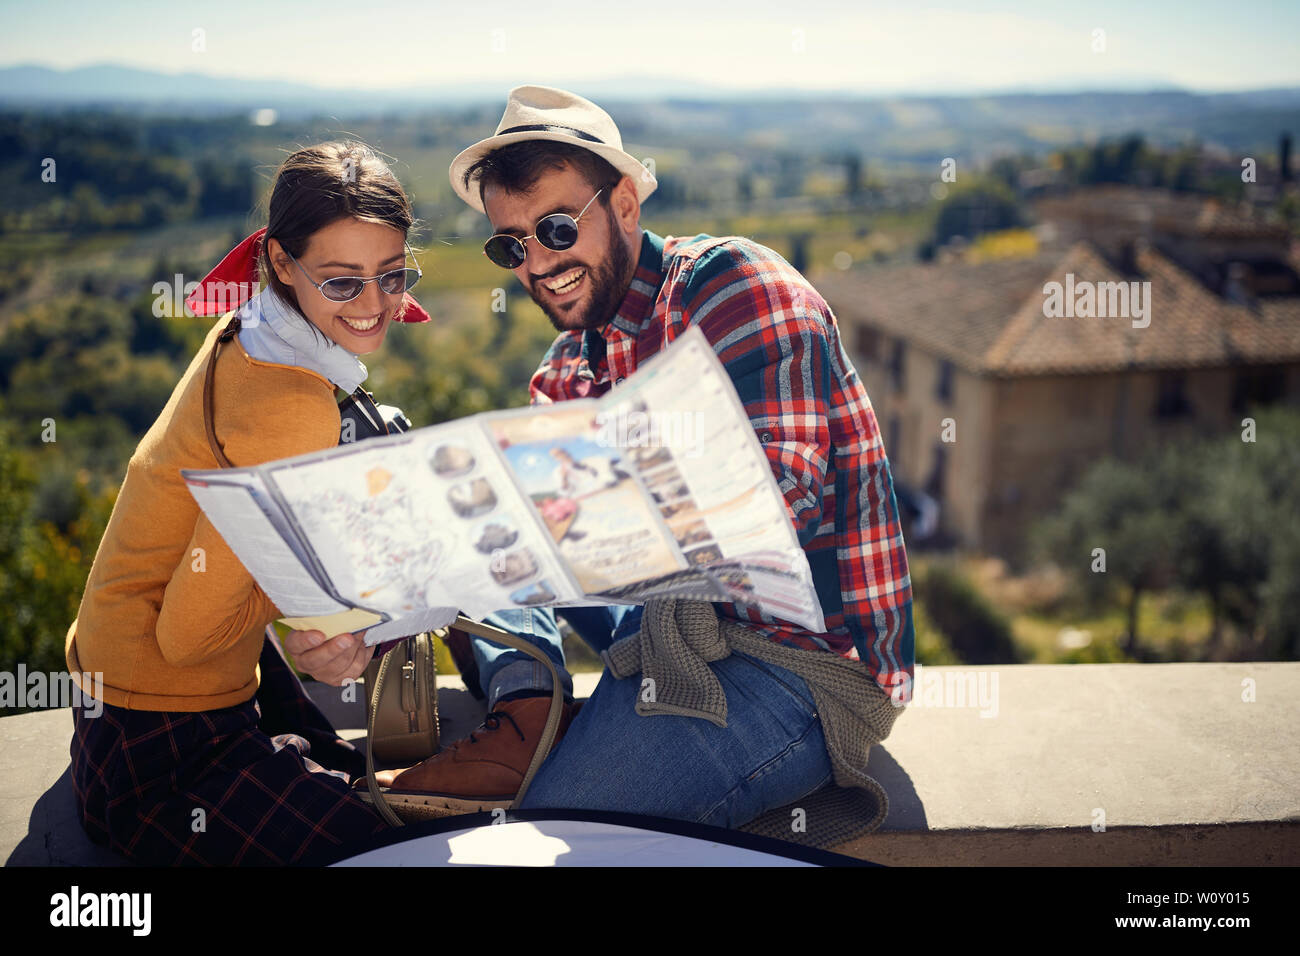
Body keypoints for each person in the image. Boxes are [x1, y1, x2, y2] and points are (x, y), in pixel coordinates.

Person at [374, 86, 915, 831]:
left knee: (568, 828)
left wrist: (567, 522)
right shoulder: (570, 363)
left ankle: (538, 725)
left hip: (795, 661)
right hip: (661, 612)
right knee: (480, 512)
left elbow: (774, 512)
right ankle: (532, 709)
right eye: (512, 244)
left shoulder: (734, 289)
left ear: (625, 202)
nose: (538, 263)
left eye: (557, 228)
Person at [61, 140, 542, 865]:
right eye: (342, 283)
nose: (376, 305)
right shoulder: (291, 405)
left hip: (125, 690)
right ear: (282, 263)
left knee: (372, 798)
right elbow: (186, 639)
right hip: (158, 743)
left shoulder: (254, 327)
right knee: (398, 849)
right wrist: (326, 612)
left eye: (391, 275)